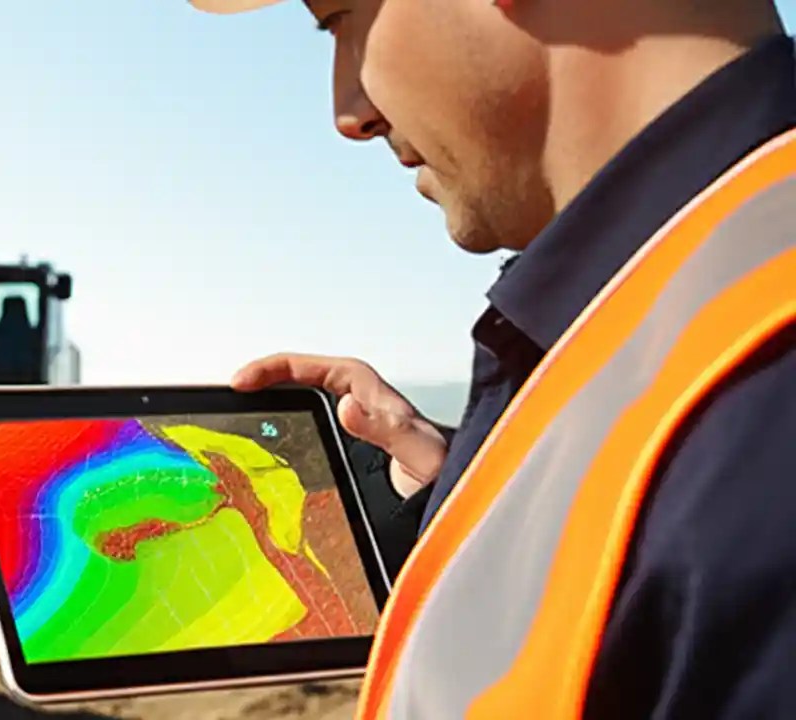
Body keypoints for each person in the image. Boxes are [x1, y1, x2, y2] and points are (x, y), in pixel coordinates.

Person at [187, 0, 796, 717]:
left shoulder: (758, 439)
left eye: (340, 19)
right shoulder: (655, 323)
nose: (349, 113)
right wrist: (470, 502)